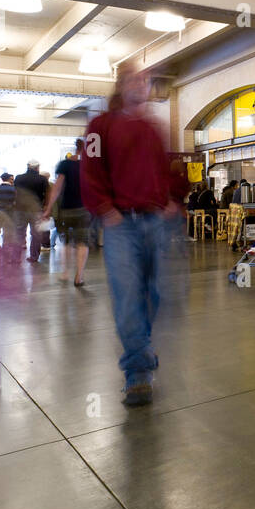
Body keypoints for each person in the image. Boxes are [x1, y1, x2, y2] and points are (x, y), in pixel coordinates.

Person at [83, 66, 181, 406]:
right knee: (127, 295)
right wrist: (105, 209)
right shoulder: (99, 126)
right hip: (120, 224)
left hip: (155, 220)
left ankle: (141, 345)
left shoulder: (154, 129)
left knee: (157, 293)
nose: (141, 84)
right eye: (134, 80)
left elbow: (163, 170)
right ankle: (137, 371)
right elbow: (90, 168)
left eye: (146, 80)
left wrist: (168, 199)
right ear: (122, 86)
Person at [44, 140, 90, 286]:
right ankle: (79, 277)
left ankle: (65, 274)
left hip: (67, 209)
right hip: (84, 209)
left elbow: (57, 188)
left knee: (67, 243)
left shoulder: (65, 164)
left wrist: (49, 207)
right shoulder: (89, 165)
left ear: (75, 148)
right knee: (83, 243)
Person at [13, 160, 49, 264]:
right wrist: (46, 206)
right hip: (36, 210)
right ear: (37, 168)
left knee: (19, 233)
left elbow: (15, 193)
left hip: (20, 209)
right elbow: (47, 194)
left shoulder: (19, 178)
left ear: (28, 167)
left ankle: (16, 258)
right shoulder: (42, 179)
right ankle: (34, 257)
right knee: (36, 234)